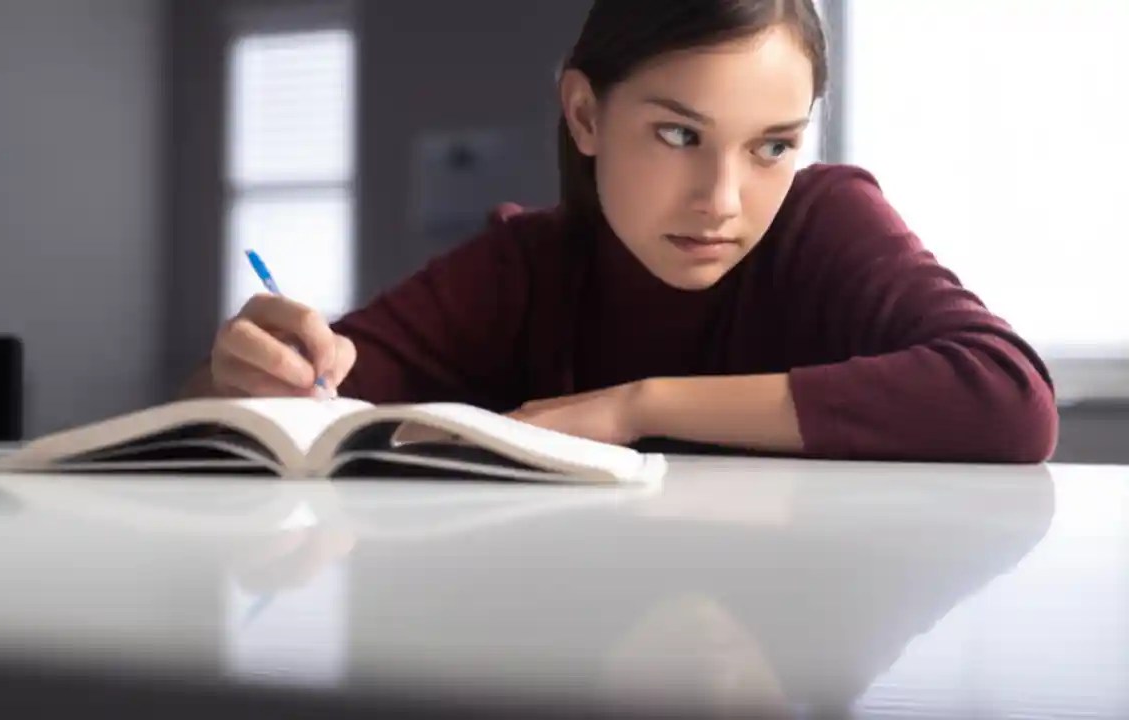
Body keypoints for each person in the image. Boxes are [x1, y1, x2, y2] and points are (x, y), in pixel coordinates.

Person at [184, 0, 1058, 463]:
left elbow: (1008, 400)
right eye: (680, 135)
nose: (723, 198)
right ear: (585, 114)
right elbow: (302, 414)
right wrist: (249, 380)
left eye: (772, 146)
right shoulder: (525, 266)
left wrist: (636, 406)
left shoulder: (824, 220)